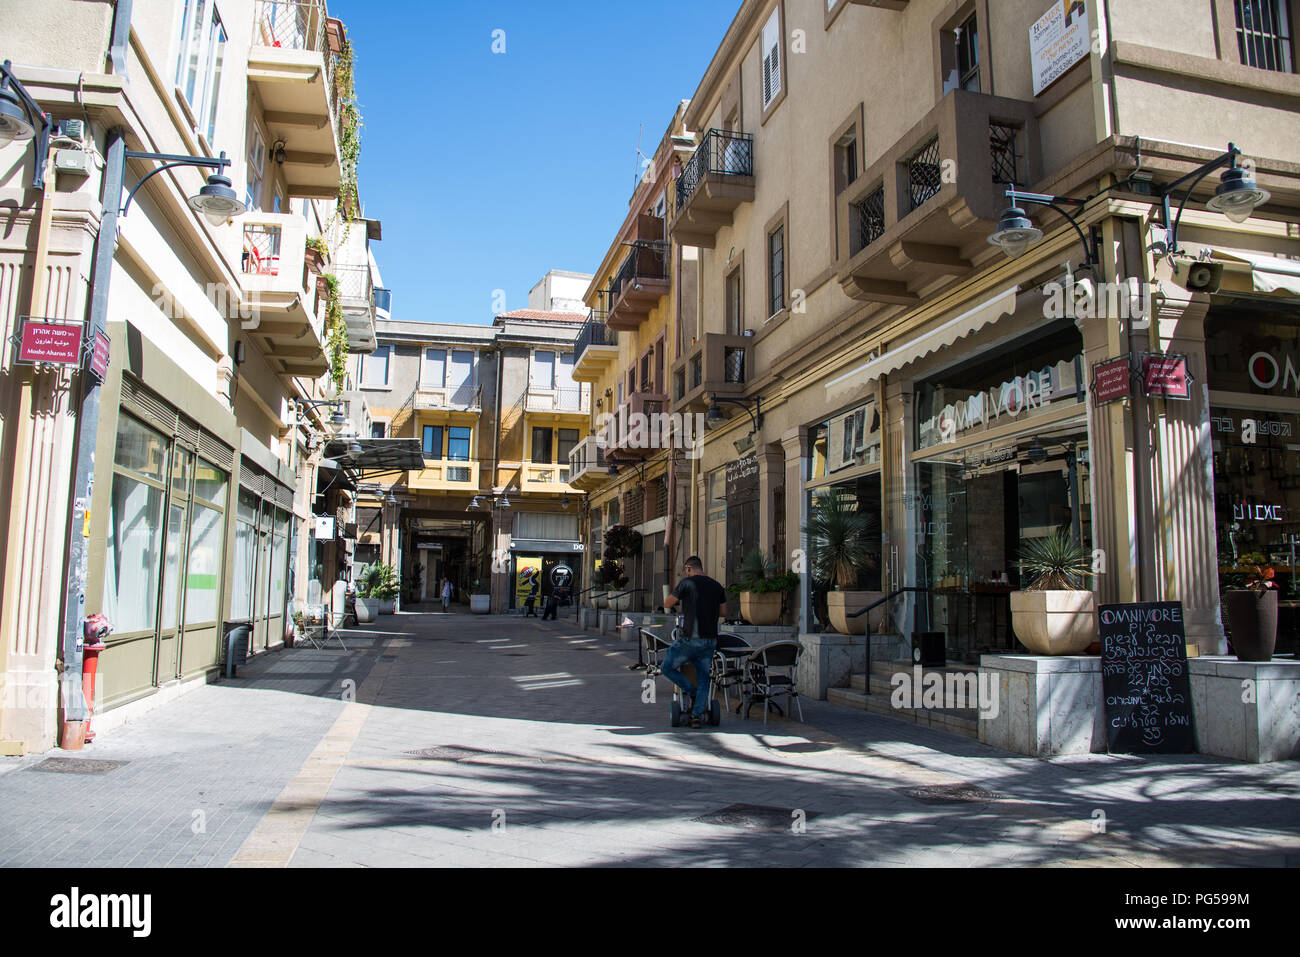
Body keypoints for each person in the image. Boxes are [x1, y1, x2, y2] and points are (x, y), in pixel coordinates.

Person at [661, 556, 728, 728]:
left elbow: (667, 603)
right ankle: (696, 716)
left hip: (690, 639)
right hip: (710, 640)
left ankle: (691, 692)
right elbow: (723, 612)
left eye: (686, 570)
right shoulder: (717, 586)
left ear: (689, 568)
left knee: (666, 667)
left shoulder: (687, 583)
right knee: (704, 676)